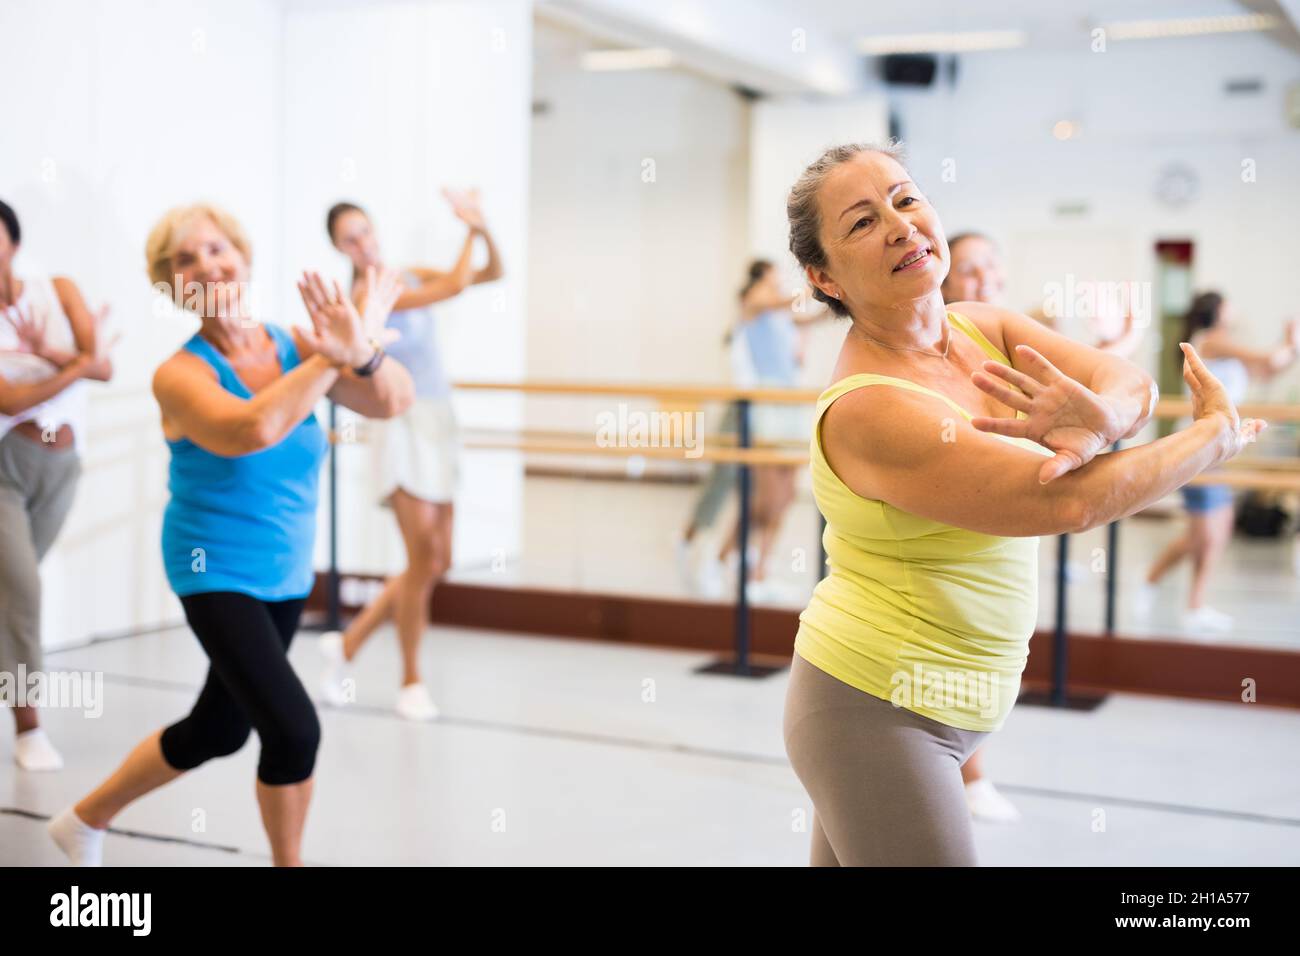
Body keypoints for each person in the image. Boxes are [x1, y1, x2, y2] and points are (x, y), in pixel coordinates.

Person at [780, 141, 1263, 866]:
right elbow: (1070, 505)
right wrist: (1211, 437)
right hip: (878, 706)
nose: (901, 226)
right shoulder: (870, 411)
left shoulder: (983, 325)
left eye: (906, 199)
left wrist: (1101, 412)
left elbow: (1126, 379)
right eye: (861, 223)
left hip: (939, 704)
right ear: (825, 278)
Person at [47, 203, 413, 867]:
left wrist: (361, 351)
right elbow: (252, 429)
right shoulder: (180, 374)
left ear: (242, 260)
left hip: (285, 569)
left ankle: (82, 820)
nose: (206, 264)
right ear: (173, 284)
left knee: (218, 728)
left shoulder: (297, 343)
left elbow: (393, 400)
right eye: (185, 259)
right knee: (293, 730)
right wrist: (336, 354)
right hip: (212, 567)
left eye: (216, 249)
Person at [321, 190, 503, 720]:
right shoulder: (367, 296)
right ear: (340, 249)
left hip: (439, 421)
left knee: (438, 559)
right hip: (398, 425)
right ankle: (410, 679)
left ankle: (349, 642)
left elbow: (490, 274)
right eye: (349, 239)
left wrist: (482, 228)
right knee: (421, 558)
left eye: (365, 231)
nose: (362, 243)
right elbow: (452, 286)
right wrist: (468, 230)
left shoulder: (405, 273)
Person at [0, 198, 115, 772]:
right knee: (22, 593)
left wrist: (51, 354)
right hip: (4, 466)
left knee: (10, 592)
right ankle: (29, 730)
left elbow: (106, 366)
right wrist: (72, 368)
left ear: (13, 244)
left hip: (62, 465)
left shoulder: (58, 289)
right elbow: (9, 398)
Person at [1141, 292, 1299, 633]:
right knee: (1204, 535)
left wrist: (1290, 347)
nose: (1234, 308)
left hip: (1220, 445)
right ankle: (1162, 589)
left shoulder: (1225, 344)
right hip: (1200, 444)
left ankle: (1183, 600)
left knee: (1215, 530)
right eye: (1228, 303)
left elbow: (1267, 369)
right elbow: (1266, 358)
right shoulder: (1210, 340)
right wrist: (1288, 344)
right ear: (1216, 310)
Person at [710, 260, 826, 603]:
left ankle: (761, 572)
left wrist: (840, 302)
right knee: (767, 498)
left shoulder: (779, 310)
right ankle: (723, 559)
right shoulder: (754, 301)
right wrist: (816, 283)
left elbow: (805, 317)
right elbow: (780, 303)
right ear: (761, 276)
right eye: (774, 273)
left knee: (787, 495)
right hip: (766, 403)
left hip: (789, 402)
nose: (779, 278)